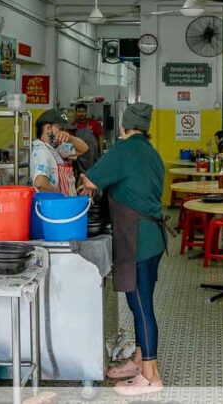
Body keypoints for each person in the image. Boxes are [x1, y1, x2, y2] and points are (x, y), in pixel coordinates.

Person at [79, 103, 166, 395]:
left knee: (141, 306)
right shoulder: (152, 152)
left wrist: (83, 181)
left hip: (136, 237)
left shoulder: (122, 150)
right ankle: (140, 361)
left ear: (123, 127)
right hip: (152, 238)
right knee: (138, 302)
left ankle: (151, 377)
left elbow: (91, 179)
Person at [30, 109, 88, 195]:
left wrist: (69, 138)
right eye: (60, 129)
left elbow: (83, 148)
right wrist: (61, 196)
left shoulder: (56, 148)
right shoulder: (41, 150)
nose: (63, 132)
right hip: (55, 202)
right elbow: (40, 184)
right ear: (48, 129)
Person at [72, 103, 105, 171]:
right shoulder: (73, 125)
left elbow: (100, 137)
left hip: (93, 155)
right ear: (76, 112)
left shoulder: (94, 123)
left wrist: (101, 152)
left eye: (83, 111)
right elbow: (71, 141)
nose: (81, 114)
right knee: (81, 173)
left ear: (86, 112)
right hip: (79, 157)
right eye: (79, 111)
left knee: (94, 172)